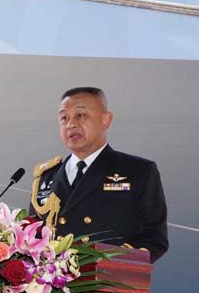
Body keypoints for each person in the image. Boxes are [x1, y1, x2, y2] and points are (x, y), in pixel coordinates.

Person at [30, 87, 169, 262]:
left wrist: (108, 263)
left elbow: (154, 237)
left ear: (106, 120)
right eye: (64, 118)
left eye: (80, 115)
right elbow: (31, 234)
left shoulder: (138, 171)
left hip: (104, 284)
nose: (71, 124)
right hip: (52, 284)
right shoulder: (46, 176)